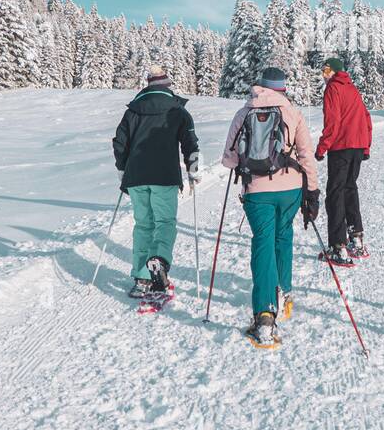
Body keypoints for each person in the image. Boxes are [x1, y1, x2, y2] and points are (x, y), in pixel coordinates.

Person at [221, 66, 320, 348]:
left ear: (260, 86)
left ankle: (265, 314)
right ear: (283, 88)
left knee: (263, 242)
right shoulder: (293, 113)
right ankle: (284, 292)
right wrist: (312, 191)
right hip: (290, 189)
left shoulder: (244, 113)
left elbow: (228, 159)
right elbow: (305, 156)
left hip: (257, 191)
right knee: (283, 236)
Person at [112, 65, 200, 298]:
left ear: (148, 84)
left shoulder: (133, 111)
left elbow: (119, 142)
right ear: (167, 85)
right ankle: (159, 261)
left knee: (143, 224)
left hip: (136, 176)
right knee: (164, 222)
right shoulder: (178, 111)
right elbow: (190, 143)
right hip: (164, 176)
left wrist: (122, 169)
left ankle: (142, 277)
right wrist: (192, 169)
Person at [314, 57, 373, 264]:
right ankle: (355, 238)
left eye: (326, 70)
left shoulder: (333, 89)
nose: (324, 75)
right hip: (356, 147)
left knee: (335, 194)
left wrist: (323, 147)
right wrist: (365, 146)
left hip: (341, 148)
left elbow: (333, 121)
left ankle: (338, 246)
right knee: (349, 189)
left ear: (334, 71)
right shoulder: (352, 89)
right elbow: (366, 118)